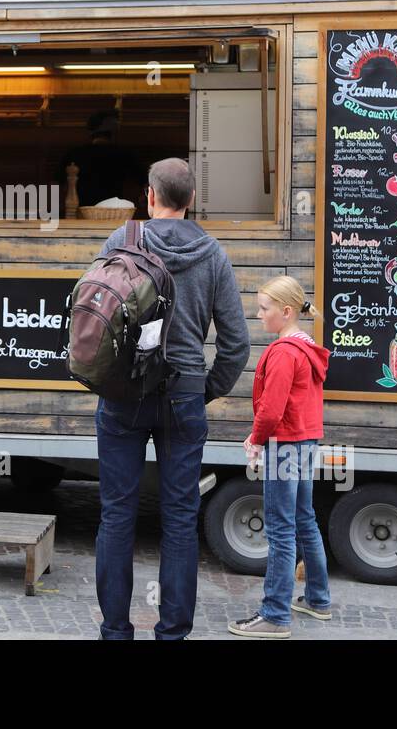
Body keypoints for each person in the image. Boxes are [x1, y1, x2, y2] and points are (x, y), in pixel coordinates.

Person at [94, 157, 249, 640]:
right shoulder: (213, 254)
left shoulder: (122, 240)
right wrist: (206, 389)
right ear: (192, 201)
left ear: (149, 196)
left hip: (123, 394)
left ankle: (116, 631)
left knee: (117, 514)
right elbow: (237, 343)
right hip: (183, 394)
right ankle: (172, 633)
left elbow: (93, 312)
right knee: (180, 518)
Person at [230, 276, 331, 639]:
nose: (259, 315)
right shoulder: (306, 348)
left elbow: (271, 409)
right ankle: (317, 599)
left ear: (286, 311)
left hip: (284, 444)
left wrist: (256, 440)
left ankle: (274, 614)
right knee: (304, 519)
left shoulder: (284, 352)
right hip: (305, 441)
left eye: (264, 308)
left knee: (280, 529)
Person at [59, 110, 145, 210]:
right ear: (114, 132)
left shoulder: (74, 154)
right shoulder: (125, 154)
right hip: (114, 213)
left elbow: (56, 183)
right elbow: (144, 181)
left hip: (80, 211)